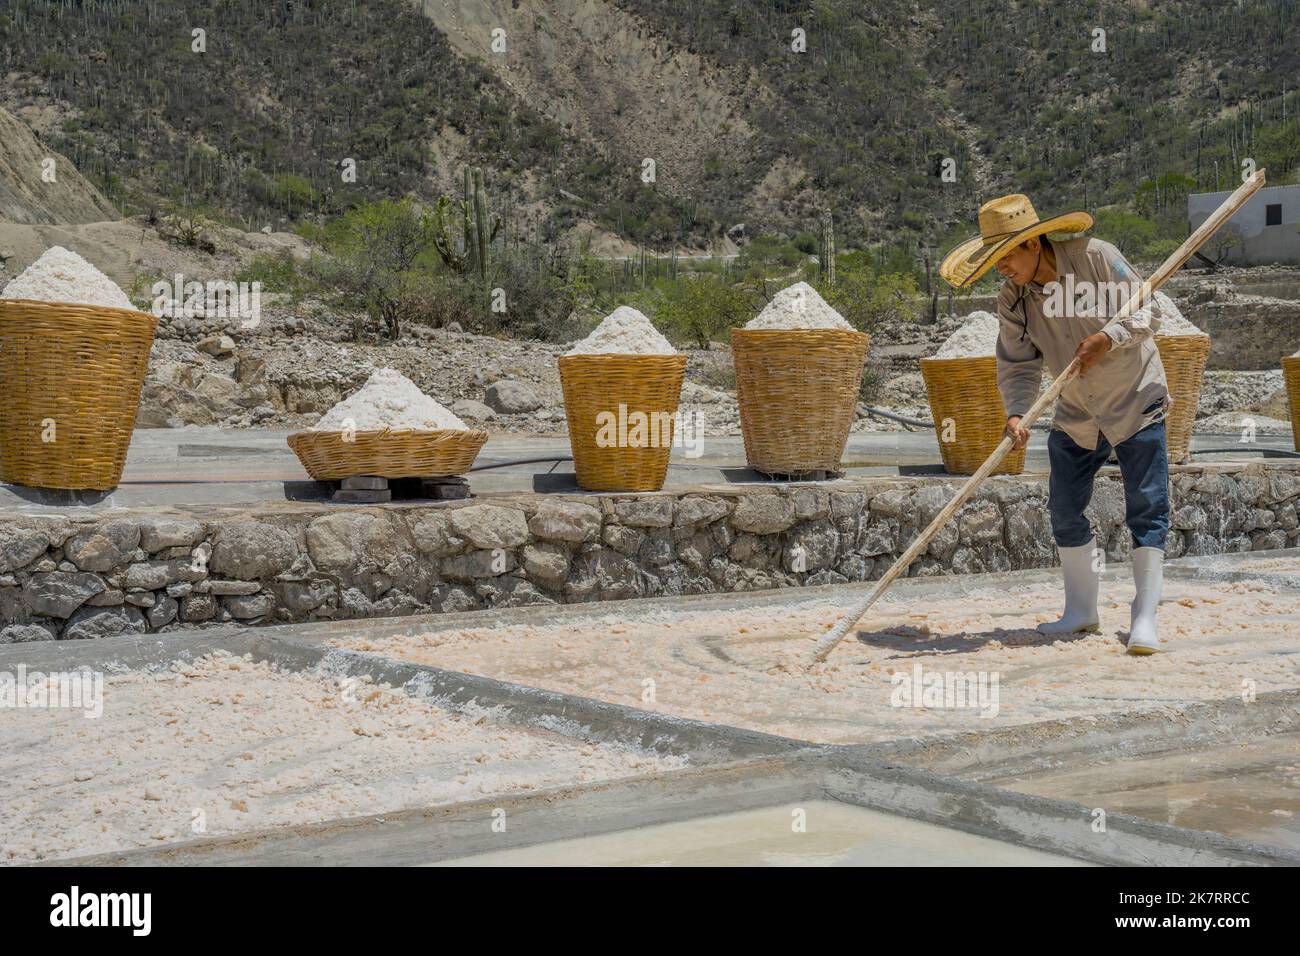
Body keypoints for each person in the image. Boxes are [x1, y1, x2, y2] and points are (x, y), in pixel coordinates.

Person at [939, 194, 1170, 654]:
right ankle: (1082, 611)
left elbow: (1150, 310)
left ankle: (1145, 618)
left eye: (1008, 256)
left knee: (1146, 507)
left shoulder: (1096, 257)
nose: (1002, 267)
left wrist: (1109, 337)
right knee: (1064, 508)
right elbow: (1018, 364)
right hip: (1077, 409)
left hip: (1134, 397)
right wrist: (1018, 411)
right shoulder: (1015, 300)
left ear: (1034, 244)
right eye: (995, 260)